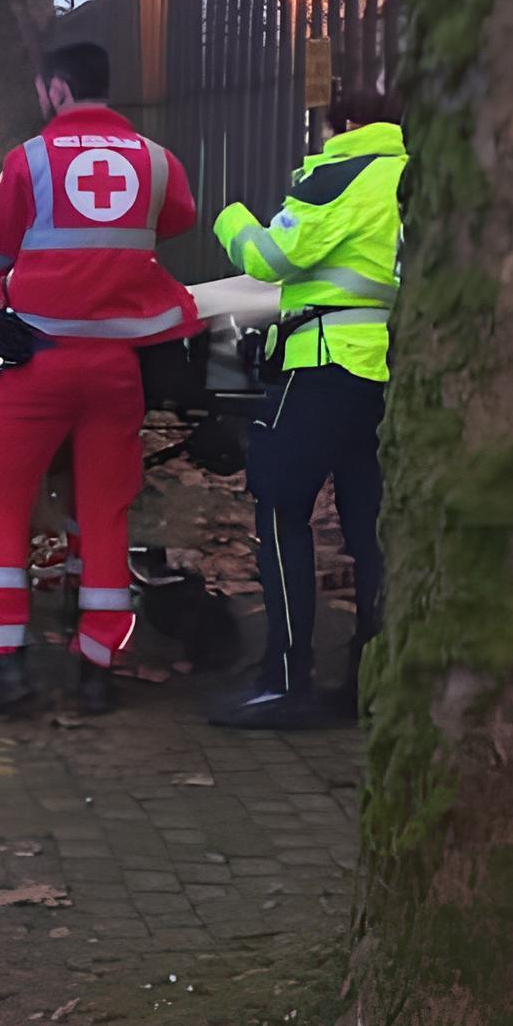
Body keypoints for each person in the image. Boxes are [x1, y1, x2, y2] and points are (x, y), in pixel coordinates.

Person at [0, 41, 199, 716]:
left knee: (3, 501)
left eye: (43, 90)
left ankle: (7, 666)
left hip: (38, 361)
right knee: (104, 510)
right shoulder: (157, 161)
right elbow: (176, 220)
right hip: (117, 367)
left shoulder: (30, 159)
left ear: (58, 89)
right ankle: (97, 669)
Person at [208, 88, 405, 728]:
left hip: (323, 364)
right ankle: (370, 682)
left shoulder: (340, 172)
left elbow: (269, 259)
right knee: (370, 531)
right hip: (386, 372)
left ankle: (286, 682)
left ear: (345, 124)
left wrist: (232, 217)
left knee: (280, 509)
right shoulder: (417, 178)